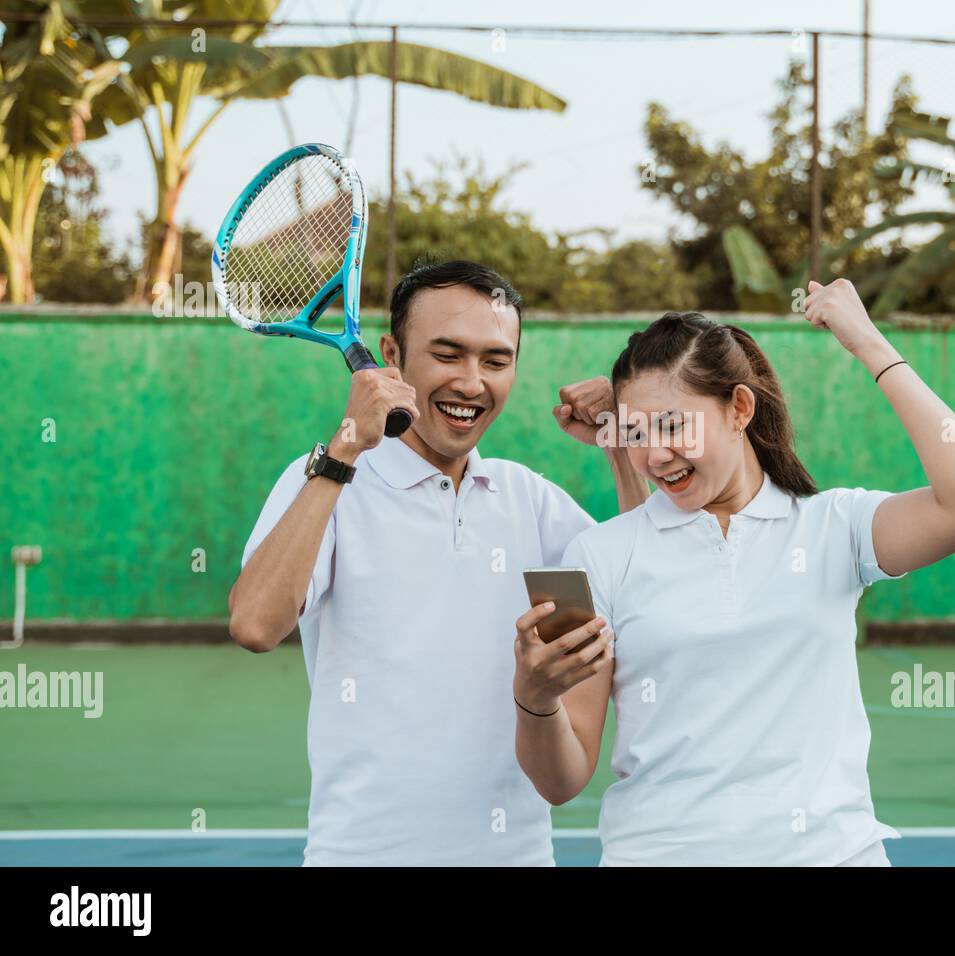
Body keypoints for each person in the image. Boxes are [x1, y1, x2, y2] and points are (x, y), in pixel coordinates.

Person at [512, 278, 955, 866]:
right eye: (638, 433)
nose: (655, 453)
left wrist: (868, 343)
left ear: (740, 408)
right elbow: (561, 782)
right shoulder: (596, 555)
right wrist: (535, 698)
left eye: (674, 425)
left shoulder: (836, 528)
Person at [228, 259, 648, 866]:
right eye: (448, 355)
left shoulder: (528, 499)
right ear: (390, 356)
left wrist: (623, 449)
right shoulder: (322, 479)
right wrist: (346, 446)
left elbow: (639, 592)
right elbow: (255, 625)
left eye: (496, 361)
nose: (473, 383)